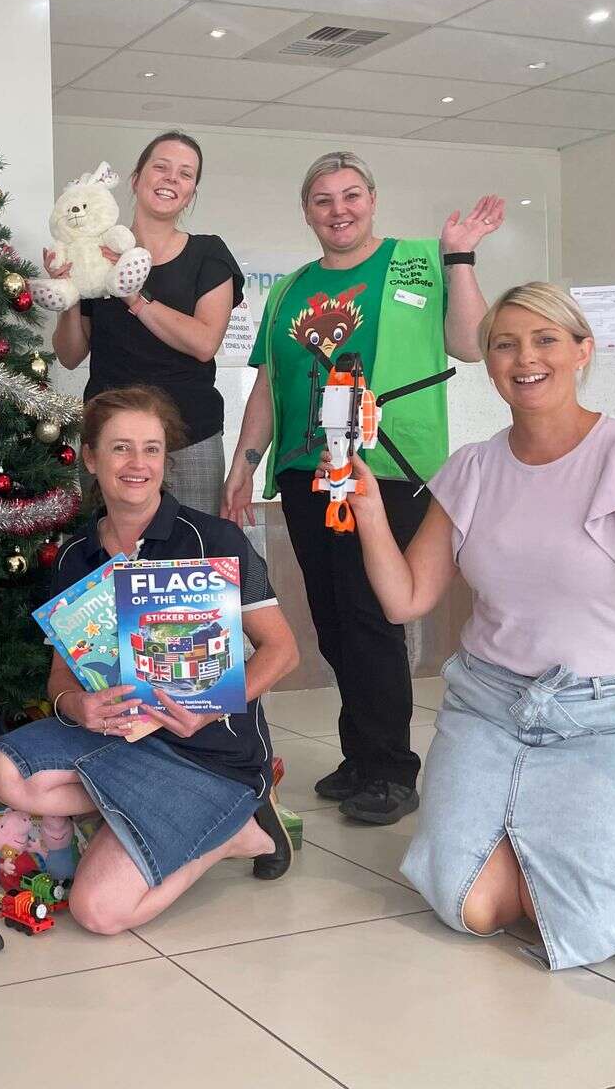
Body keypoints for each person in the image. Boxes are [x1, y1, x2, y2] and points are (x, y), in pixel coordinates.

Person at [342, 282, 615, 969]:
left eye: (545, 339)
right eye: (505, 344)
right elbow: (406, 599)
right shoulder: (470, 467)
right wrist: (368, 504)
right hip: (488, 708)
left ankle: (580, 846)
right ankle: (545, 839)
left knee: (584, 924)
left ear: (583, 350)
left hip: (610, 714)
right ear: (489, 363)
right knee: (471, 905)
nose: (525, 358)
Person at [223, 150, 504, 826]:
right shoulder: (291, 288)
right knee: (334, 619)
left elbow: (470, 343)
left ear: (371, 200)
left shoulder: (418, 260)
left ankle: (390, 769)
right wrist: (244, 461)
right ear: (307, 211)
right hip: (303, 468)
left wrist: (460, 259)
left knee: (374, 618)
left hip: (388, 466)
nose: (338, 210)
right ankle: (361, 752)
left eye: (351, 196)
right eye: (323, 199)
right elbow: (269, 383)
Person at [0, 387, 300, 935]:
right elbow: (61, 673)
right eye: (121, 449)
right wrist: (75, 705)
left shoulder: (213, 539)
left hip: (207, 755)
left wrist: (207, 708)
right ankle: (136, 816)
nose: (138, 465)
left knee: (97, 912)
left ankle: (237, 831)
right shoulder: (73, 555)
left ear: (166, 461)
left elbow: (283, 651)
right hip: (116, 740)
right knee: (5, 771)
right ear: (90, 458)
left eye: (151, 450)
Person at [49, 132, 245, 515]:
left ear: (191, 193)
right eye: (161, 167)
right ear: (136, 179)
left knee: (192, 559)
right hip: (110, 437)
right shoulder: (94, 252)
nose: (172, 178)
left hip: (191, 437)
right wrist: (67, 294)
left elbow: (204, 342)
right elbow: (70, 355)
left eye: (185, 174)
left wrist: (133, 297)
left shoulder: (209, 253)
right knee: (109, 563)